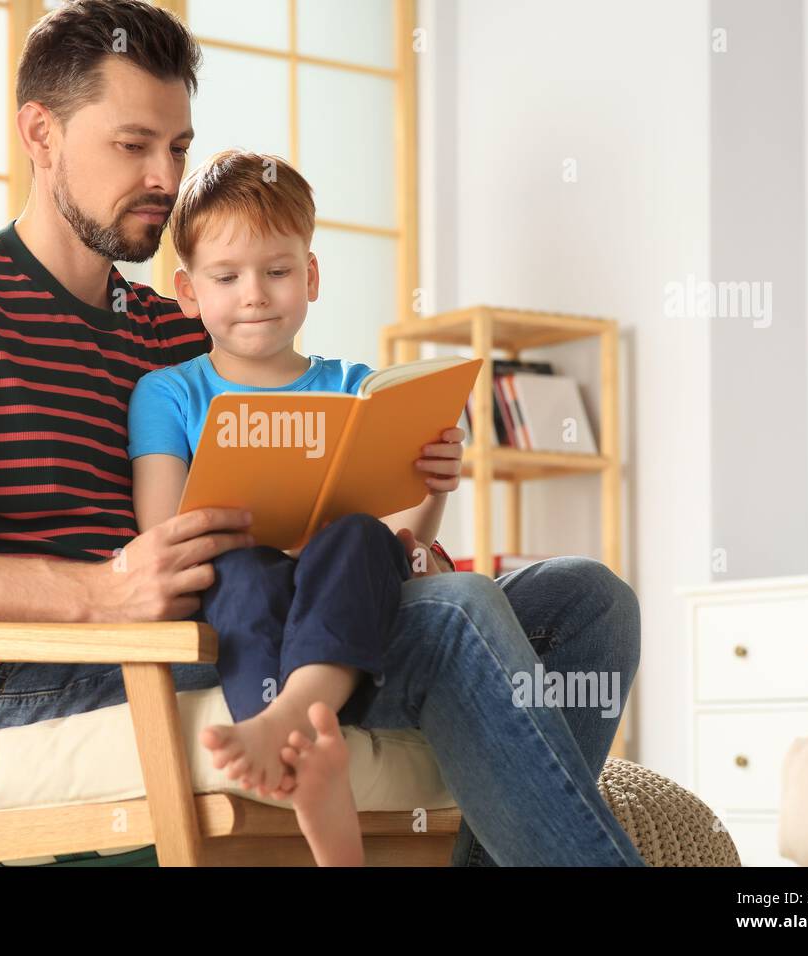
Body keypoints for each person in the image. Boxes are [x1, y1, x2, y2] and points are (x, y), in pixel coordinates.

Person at [0, 0, 645, 866]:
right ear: (41, 132)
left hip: (249, 621)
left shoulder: (176, 329)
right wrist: (101, 591)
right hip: (54, 669)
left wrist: (399, 525)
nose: (165, 179)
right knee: (457, 615)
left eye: (176, 148)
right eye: (132, 146)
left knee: (587, 603)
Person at [127, 150, 465, 864]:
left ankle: (287, 726)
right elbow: (163, 531)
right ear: (187, 292)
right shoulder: (168, 393)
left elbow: (400, 543)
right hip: (238, 580)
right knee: (246, 571)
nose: (254, 294)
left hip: (345, 577)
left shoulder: (358, 385)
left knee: (353, 538)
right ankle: (314, 760)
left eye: (277, 272)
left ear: (309, 277)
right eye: (226, 277)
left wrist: (431, 492)